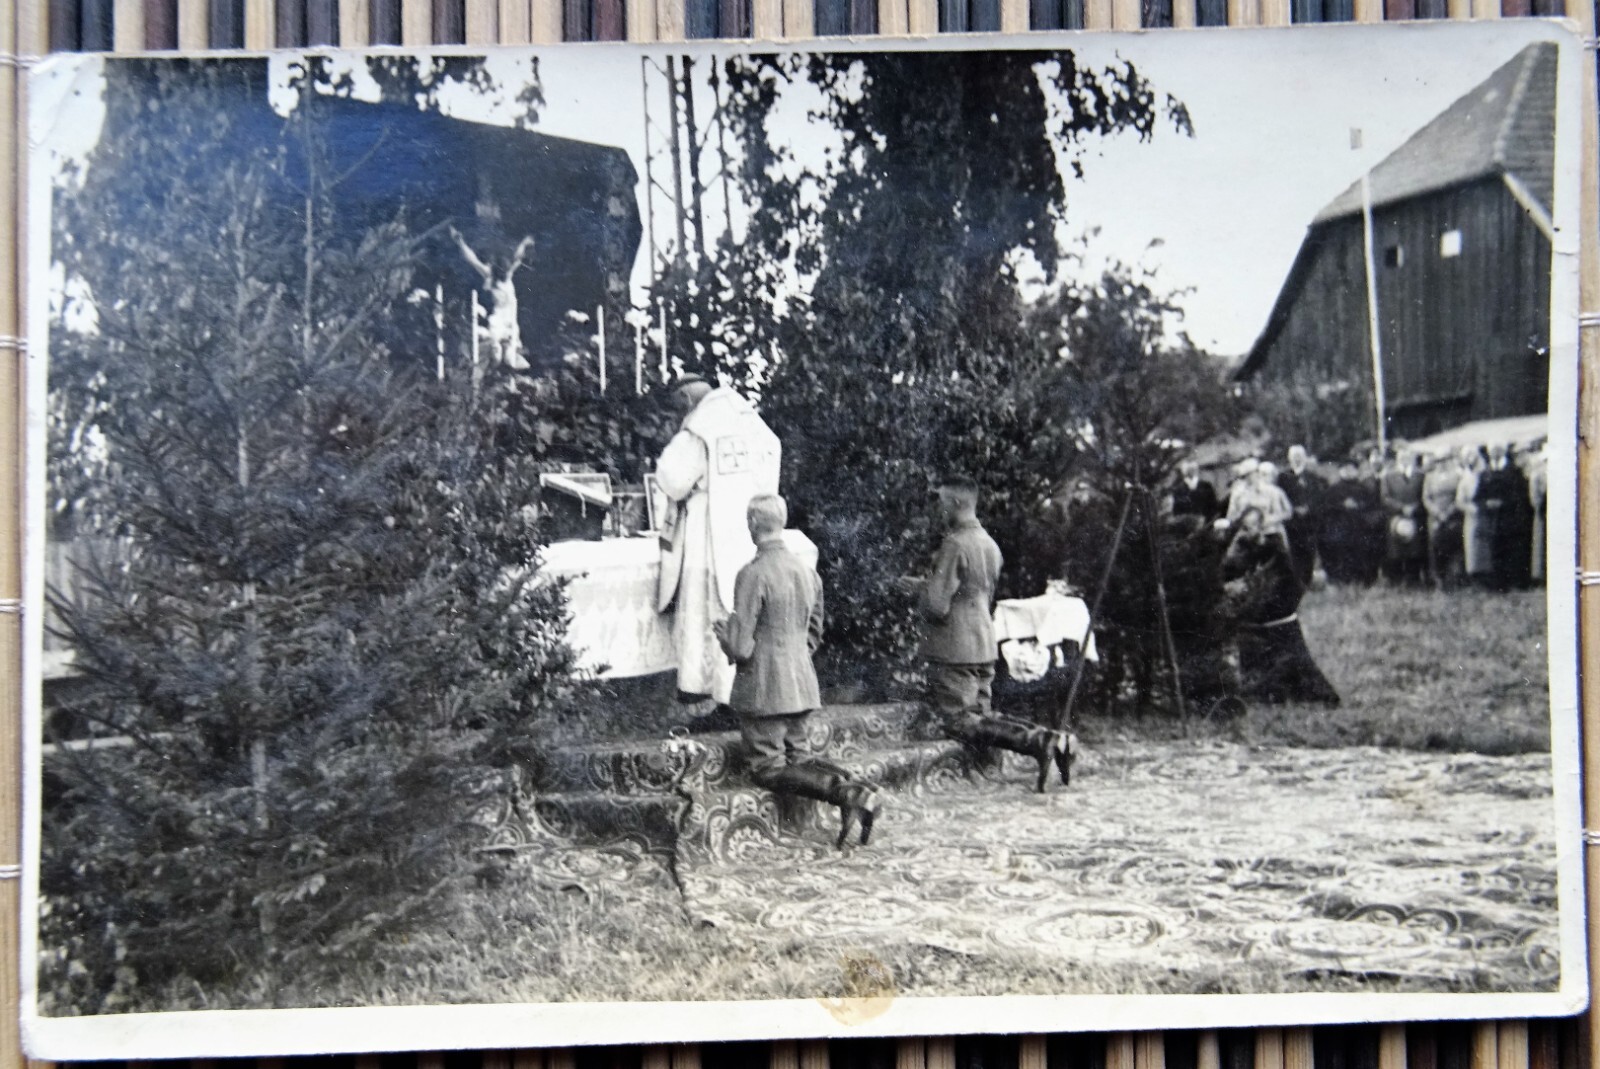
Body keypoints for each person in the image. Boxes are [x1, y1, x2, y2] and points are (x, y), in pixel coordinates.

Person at [714, 494, 882, 849]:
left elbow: (742, 647)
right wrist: (790, 662)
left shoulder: (752, 574)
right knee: (801, 757)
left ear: (752, 525)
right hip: (801, 683)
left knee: (768, 767)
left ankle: (846, 794)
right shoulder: (808, 573)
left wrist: (725, 638)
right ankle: (860, 791)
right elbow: (814, 632)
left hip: (765, 689)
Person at [909, 475, 1070, 793]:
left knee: (960, 719)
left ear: (956, 503)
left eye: (942, 504)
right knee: (982, 714)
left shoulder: (955, 544)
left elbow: (938, 605)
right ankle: (1050, 740)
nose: (939, 511)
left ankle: (1038, 742)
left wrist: (918, 590)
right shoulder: (989, 544)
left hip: (954, 647)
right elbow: (975, 593)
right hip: (984, 639)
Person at [656, 374, 782, 710]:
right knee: (735, 604)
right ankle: (734, 694)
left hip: (706, 529)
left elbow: (673, 478)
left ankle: (702, 689)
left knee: (703, 607)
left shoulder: (699, 424)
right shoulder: (748, 416)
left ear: (684, 398)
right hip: (746, 528)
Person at [1223, 507, 1340, 707]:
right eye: (1244, 526)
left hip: (1278, 611)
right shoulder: (1241, 546)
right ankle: (1264, 692)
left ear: (1261, 527)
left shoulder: (1274, 547)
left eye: (1251, 526)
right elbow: (1229, 571)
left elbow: (1288, 582)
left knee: (1294, 661)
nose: (1246, 531)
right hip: (1256, 614)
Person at [1474, 441, 1534, 591]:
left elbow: (1521, 495)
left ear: (1502, 451)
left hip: (1511, 518)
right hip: (1492, 520)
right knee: (1496, 550)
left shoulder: (1514, 470)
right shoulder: (1485, 473)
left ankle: (1517, 582)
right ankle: (1499, 584)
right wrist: (1487, 504)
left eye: (1497, 450)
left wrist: (1503, 503)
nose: (1494, 453)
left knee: (1513, 550)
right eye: (1491, 451)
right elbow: (1478, 496)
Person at [1318, 460, 1381, 585]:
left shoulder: (1363, 488)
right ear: (1340, 471)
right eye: (1345, 469)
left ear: (1356, 471)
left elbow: (1372, 505)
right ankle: (1341, 579)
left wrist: (1359, 505)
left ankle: (1362, 579)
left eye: (1351, 469)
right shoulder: (1333, 489)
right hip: (1340, 526)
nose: (1348, 472)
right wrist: (1342, 505)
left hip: (1360, 526)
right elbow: (1326, 508)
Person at [1380, 447, 1428, 586]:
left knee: (1415, 549)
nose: (1405, 459)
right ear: (1397, 459)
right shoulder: (1388, 476)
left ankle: (1413, 579)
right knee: (1396, 549)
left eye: (1408, 456)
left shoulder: (1421, 475)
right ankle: (1397, 580)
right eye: (1402, 457)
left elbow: (1424, 495)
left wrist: (1414, 507)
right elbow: (1385, 497)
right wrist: (1401, 507)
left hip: (1415, 516)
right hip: (1396, 517)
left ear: (1413, 459)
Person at [1277, 445, 1323, 587]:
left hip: (1309, 521)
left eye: (1299, 456)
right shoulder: (1283, 477)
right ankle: (1297, 582)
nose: (1297, 459)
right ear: (1289, 458)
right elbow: (1281, 497)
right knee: (1293, 551)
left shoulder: (1312, 477)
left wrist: (1308, 508)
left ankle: (1307, 580)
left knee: (1309, 551)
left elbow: (1318, 497)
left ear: (1304, 458)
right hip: (1292, 521)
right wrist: (1294, 509)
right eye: (1294, 456)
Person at [1421, 449, 1466, 588]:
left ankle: (1456, 578)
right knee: (1436, 547)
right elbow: (1426, 497)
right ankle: (1439, 579)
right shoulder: (1430, 477)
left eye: (1445, 460)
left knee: (1455, 546)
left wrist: (1449, 512)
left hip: (1453, 516)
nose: (1442, 464)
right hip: (1435, 517)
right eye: (1439, 461)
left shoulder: (1458, 475)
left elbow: (1460, 496)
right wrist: (1436, 512)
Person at [1456, 445, 1487, 583]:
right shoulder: (1465, 477)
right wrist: (1469, 507)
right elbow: (1459, 500)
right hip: (1472, 514)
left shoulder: (1485, 473)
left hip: (1486, 514)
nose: (1470, 459)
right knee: (1472, 544)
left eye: (1473, 455)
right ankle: (1474, 575)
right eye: (1467, 457)